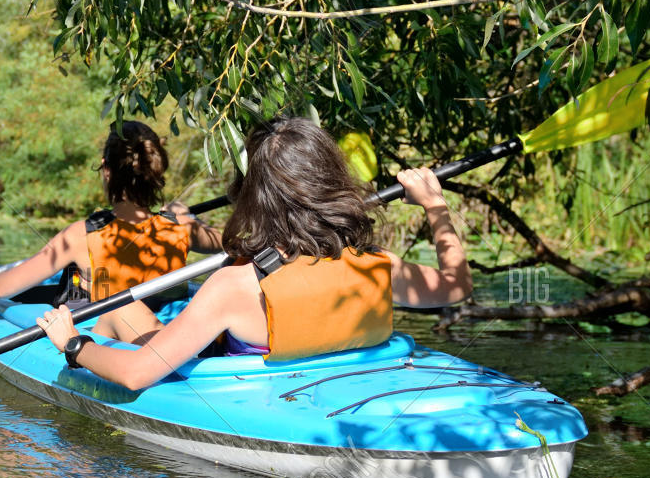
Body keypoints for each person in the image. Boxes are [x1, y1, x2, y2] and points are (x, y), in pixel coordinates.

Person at [34, 116, 472, 389]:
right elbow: (455, 287)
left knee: (122, 314)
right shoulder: (378, 264)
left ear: (253, 197)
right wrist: (435, 205)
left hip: (254, 394)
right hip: (345, 382)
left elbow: (134, 375)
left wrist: (72, 342)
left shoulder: (235, 286)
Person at [0, 121, 223, 334]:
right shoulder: (184, 229)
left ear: (106, 170)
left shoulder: (80, 237)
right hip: (165, 331)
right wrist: (188, 218)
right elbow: (229, 243)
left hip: (108, 335)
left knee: (70, 287)